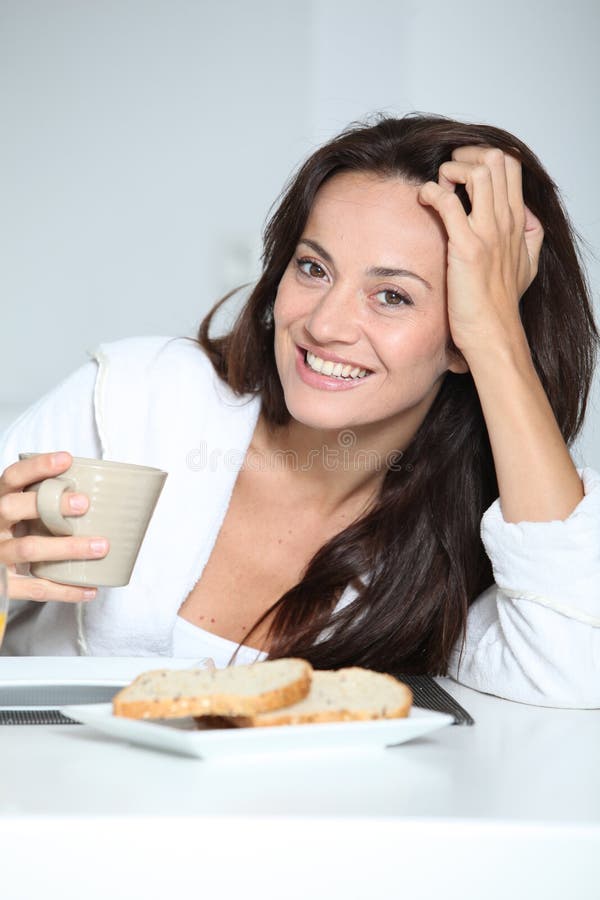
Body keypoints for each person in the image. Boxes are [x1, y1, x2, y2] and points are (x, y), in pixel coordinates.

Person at [1, 113, 599, 707]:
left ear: (463, 339)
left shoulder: (477, 529)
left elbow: (574, 665)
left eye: (392, 296)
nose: (324, 324)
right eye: (313, 268)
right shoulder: (137, 397)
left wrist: (496, 337)